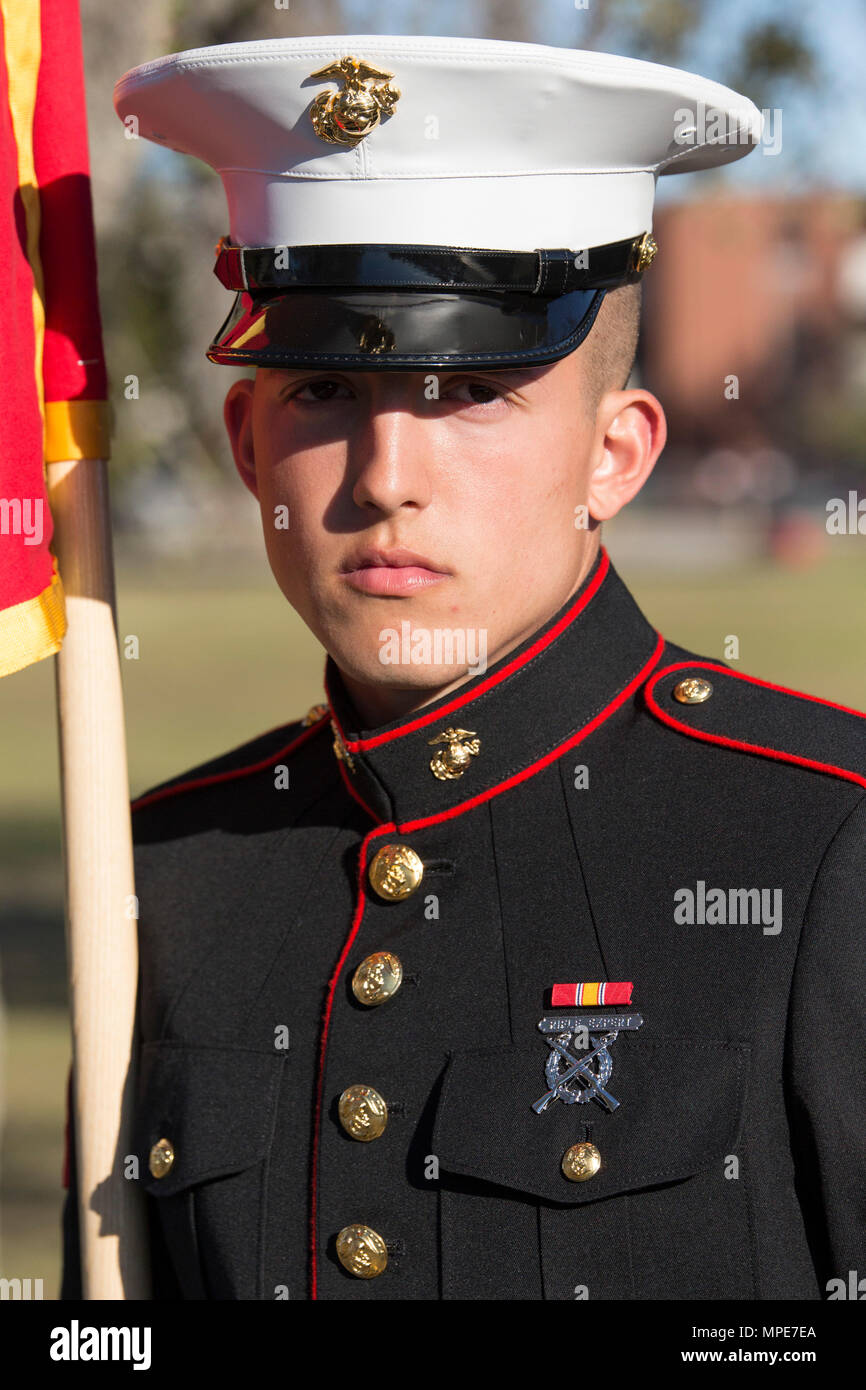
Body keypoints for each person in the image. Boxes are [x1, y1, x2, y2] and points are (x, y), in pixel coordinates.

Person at [61, 34, 865, 1301]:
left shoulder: (822, 841)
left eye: (472, 393)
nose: (385, 477)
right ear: (246, 445)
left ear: (614, 453)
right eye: (323, 385)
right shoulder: (159, 875)